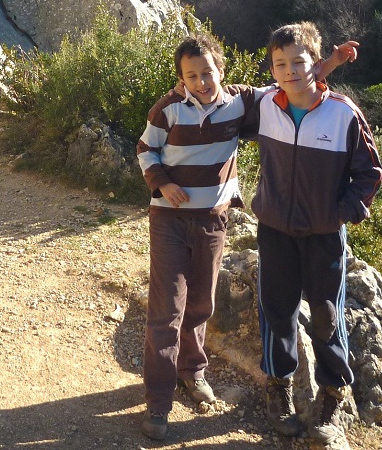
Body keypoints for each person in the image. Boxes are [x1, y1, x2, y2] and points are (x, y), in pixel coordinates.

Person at [135, 34, 356, 442]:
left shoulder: (240, 102)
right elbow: (146, 149)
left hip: (214, 219)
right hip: (169, 218)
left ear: (222, 70)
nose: (202, 82)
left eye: (208, 72)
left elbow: (293, 82)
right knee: (168, 309)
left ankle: (192, 373)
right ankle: (159, 402)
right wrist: (162, 184)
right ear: (181, 78)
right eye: (191, 75)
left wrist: (329, 65)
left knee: (201, 302)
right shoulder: (167, 109)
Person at [253, 21, 382, 450]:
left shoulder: (343, 114)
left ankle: (331, 396)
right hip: (274, 230)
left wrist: (339, 215)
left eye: (298, 62)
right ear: (271, 69)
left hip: (322, 236)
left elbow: (369, 174)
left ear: (315, 63)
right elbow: (211, 93)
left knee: (327, 315)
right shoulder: (265, 105)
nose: (289, 71)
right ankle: (279, 387)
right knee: (277, 311)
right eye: (280, 64)